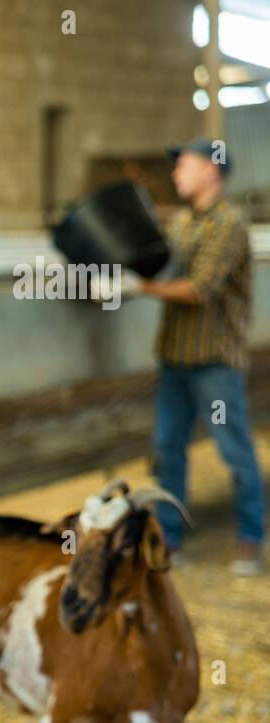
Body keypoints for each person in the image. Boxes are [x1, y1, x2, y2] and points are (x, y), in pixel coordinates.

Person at [124, 138, 263, 574]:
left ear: (211, 170)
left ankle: (251, 539)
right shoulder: (183, 221)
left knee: (233, 449)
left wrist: (138, 288)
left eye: (185, 165)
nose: (176, 173)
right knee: (168, 449)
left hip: (214, 365)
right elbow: (162, 261)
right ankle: (170, 539)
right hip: (175, 360)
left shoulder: (228, 225)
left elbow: (198, 289)